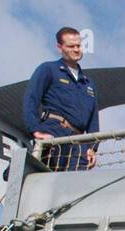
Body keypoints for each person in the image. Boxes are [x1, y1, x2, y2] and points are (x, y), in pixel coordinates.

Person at [23, 27, 99, 170]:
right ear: (60, 47)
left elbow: (93, 120)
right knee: (41, 180)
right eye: (71, 46)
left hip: (79, 143)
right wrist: (35, 129)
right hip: (54, 133)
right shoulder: (48, 69)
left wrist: (92, 148)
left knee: (74, 187)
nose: (76, 49)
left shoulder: (88, 84)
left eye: (78, 45)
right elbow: (31, 99)